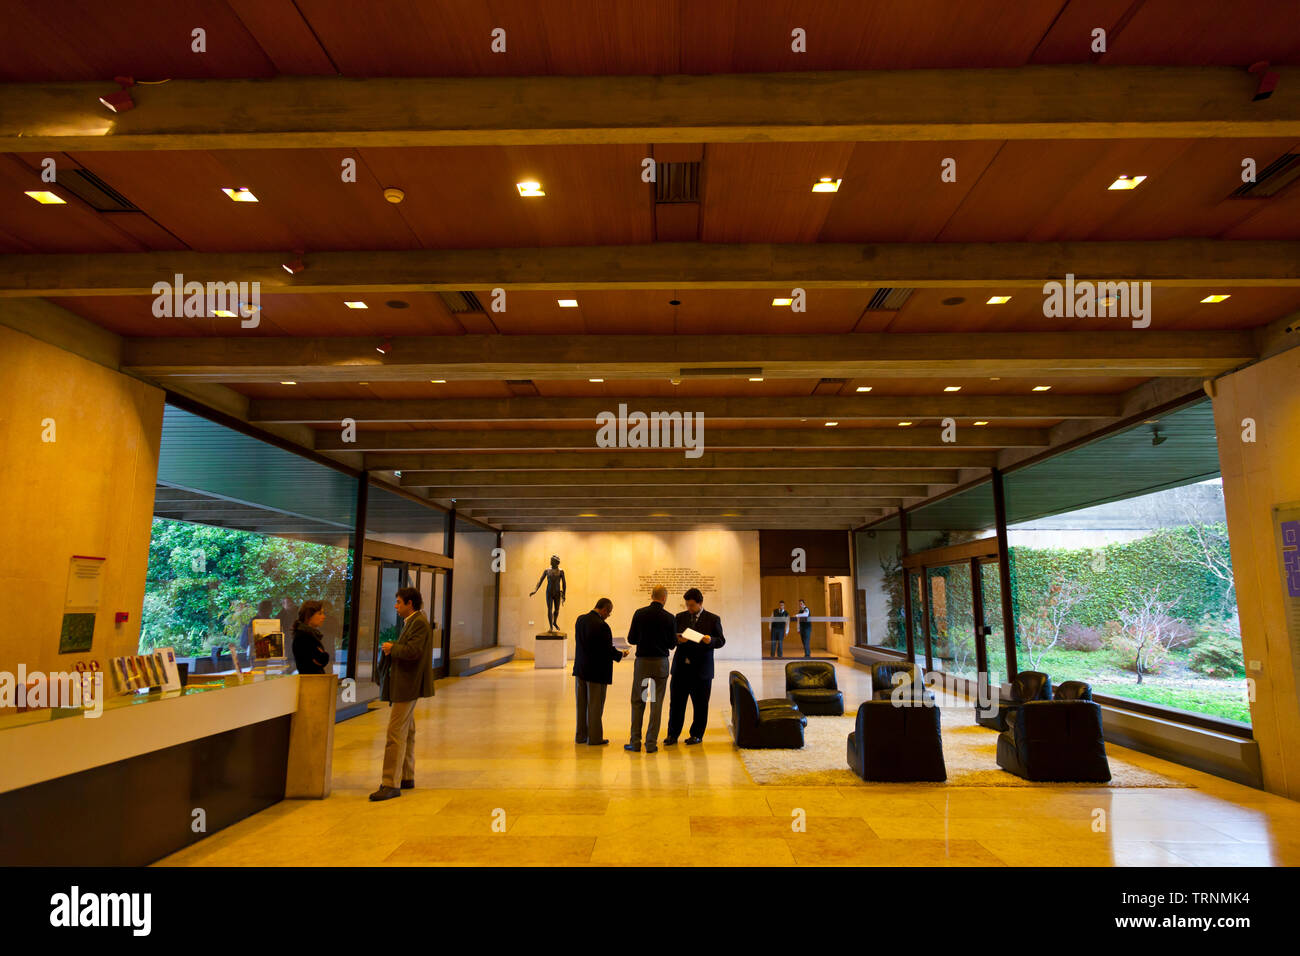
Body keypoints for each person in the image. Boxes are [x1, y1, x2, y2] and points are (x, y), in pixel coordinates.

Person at [370, 587, 435, 802]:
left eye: (399, 602)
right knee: (407, 731)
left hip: (408, 684)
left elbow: (413, 652)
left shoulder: (419, 623)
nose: (396, 606)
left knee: (395, 733)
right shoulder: (413, 622)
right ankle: (406, 776)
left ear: (410, 604)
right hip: (406, 683)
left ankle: (390, 782)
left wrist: (392, 648)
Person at [665, 588, 726, 746]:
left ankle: (696, 734)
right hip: (681, 669)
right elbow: (671, 640)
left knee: (700, 705)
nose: (689, 608)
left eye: (692, 605)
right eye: (687, 605)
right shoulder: (679, 617)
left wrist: (710, 641)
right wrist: (678, 640)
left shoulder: (713, 619)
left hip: (702, 670)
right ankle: (672, 735)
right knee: (676, 704)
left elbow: (720, 641)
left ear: (700, 603)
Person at [625, 585, 676, 754]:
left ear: (651, 595)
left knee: (639, 701)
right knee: (656, 703)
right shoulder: (669, 618)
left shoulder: (639, 614)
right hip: (660, 664)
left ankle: (635, 742)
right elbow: (671, 644)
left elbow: (631, 639)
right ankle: (651, 743)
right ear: (664, 598)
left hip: (643, 664)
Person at [573, 598, 628, 745]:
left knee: (581, 705)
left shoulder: (580, 620)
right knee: (595, 706)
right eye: (608, 613)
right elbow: (606, 650)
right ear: (604, 609)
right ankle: (595, 738)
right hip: (596, 672)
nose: (608, 615)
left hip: (580, 669)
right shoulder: (602, 626)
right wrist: (621, 654)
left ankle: (581, 736)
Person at [292, 600, 331, 675]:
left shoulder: (308, 634)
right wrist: (325, 656)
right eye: (320, 614)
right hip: (311, 681)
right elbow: (319, 660)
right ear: (309, 616)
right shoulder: (304, 636)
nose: (323, 617)